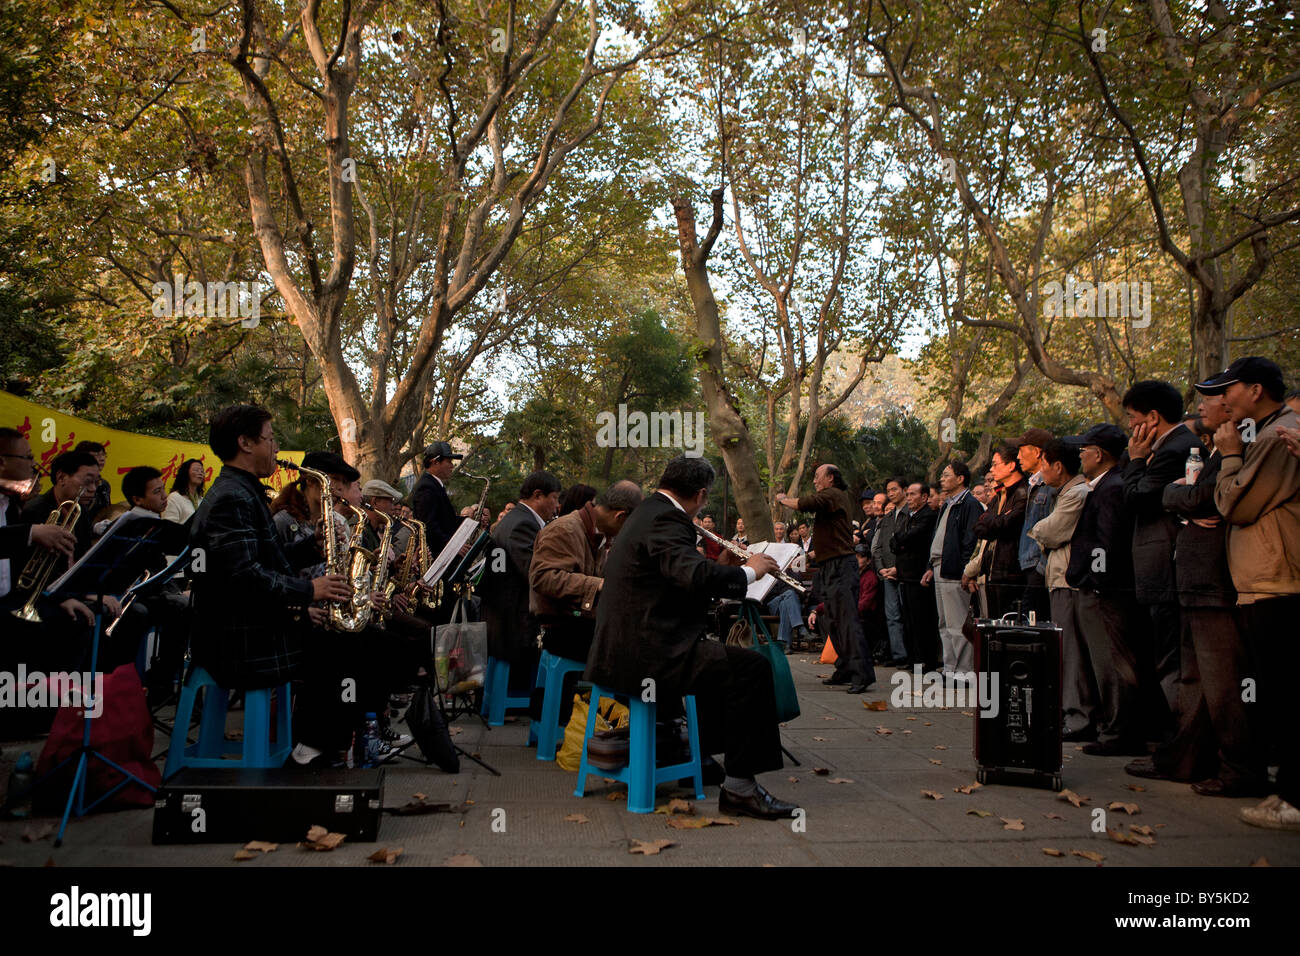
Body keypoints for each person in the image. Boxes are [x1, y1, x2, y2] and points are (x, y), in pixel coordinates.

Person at [586, 455, 796, 819]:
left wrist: (723, 569)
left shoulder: (647, 512)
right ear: (701, 495)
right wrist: (750, 571)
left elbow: (675, 578)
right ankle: (741, 790)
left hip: (630, 646)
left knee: (719, 665)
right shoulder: (668, 519)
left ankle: (700, 760)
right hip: (645, 654)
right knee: (751, 669)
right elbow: (693, 577)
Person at [1126, 389, 1265, 796]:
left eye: (1215, 396)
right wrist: (1181, 500)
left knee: (1222, 680)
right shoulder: (1211, 447)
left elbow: (1202, 498)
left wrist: (1175, 495)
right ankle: (1187, 757)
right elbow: (1185, 496)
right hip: (1191, 575)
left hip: (1212, 579)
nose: (1201, 406)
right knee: (1194, 676)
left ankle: (1239, 767)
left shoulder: (1230, 446)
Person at [187, 405, 351, 692]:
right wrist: (311, 590)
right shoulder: (233, 497)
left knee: (356, 643)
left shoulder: (242, 491)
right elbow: (245, 577)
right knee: (350, 652)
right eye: (271, 439)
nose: (276, 448)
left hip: (248, 631)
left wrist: (311, 546)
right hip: (241, 643)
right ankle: (317, 738)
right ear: (245, 443)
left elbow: (264, 560)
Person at [1201, 357, 1300, 830]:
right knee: (1274, 693)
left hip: (1279, 581)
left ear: (1256, 390)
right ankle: (1285, 793)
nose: (1222, 400)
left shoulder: (1278, 436)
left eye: (1228, 390)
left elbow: (1234, 505)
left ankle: (1294, 799)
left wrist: (1231, 457)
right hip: (1263, 581)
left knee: (1284, 694)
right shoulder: (1266, 432)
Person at [1121, 379, 1200, 733]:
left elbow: (1136, 499)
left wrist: (1137, 460)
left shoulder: (1176, 449)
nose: (1128, 425)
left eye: (1132, 416)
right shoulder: (1168, 447)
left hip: (1167, 568)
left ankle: (1178, 742)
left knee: (1172, 661)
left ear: (1152, 417)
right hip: (1158, 572)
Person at [529, 480, 641, 726]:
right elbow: (543, 578)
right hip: (561, 627)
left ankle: (623, 726)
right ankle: (627, 730)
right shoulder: (565, 529)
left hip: (578, 622)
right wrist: (599, 585)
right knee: (635, 649)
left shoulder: (596, 534)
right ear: (620, 516)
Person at [1063, 424, 1144, 757]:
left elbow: (1107, 542)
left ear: (1098, 454)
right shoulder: (1103, 486)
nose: (1080, 456)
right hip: (1098, 588)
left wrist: (1096, 582)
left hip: (1103, 592)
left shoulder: (1111, 488)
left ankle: (1118, 732)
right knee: (1103, 662)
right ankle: (1112, 727)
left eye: (1084, 450)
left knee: (1111, 662)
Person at [777, 463, 875, 693]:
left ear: (831, 478)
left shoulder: (832, 494)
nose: (814, 480)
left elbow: (806, 503)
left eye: (818, 476)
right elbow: (832, 538)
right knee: (831, 619)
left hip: (841, 567)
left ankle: (862, 673)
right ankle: (845, 667)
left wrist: (783, 499)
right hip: (830, 565)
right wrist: (809, 557)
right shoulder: (832, 500)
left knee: (846, 619)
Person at [1027, 439, 1097, 740]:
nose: (1040, 470)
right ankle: (1072, 711)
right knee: (1065, 650)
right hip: (1058, 579)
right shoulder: (1063, 494)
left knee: (1072, 652)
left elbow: (1050, 530)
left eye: (1043, 463)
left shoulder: (1078, 493)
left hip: (1069, 581)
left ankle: (1079, 717)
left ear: (1058, 466)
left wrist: (1041, 533)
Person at [479, 471, 563, 695]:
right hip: (515, 620)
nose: (556, 506)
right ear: (538, 495)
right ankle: (549, 701)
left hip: (507, 614)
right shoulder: (522, 524)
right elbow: (535, 575)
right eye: (554, 498)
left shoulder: (516, 519)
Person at [921, 462, 982, 681]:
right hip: (939, 565)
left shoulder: (969, 504)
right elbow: (940, 537)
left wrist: (967, 569)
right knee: (944, 622)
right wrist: (930, 566)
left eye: (947, 475)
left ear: (960, 478)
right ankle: (950, 667)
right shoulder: (947, 504)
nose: (942, 479)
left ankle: (965, 671)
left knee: (958, 622)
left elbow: (970, 539)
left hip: (955, 570)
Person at [971, 444, 1028, 619]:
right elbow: (979, 527)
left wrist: (993, 522)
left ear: (1011, 466)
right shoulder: (999, 495)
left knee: (1009, 625)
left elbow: (1009, 524)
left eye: (996, 464)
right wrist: (995, 521)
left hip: (1012, 573)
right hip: (992, 572)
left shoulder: (1023, 492)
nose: (991, 469)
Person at [892, 481, 940, 673]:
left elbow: (912, 538)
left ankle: (926, 661)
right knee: (909, 621)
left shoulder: (928, 516)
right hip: (905, 575)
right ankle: (914, 658)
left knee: (923, 621)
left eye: (913, 494)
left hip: (919, 575)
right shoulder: (909, 517)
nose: (909, 498)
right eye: (908, 494)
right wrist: (900, 539)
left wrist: (901, 539)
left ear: (924, 497)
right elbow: (895, 541)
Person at [22, 450, 100, 556]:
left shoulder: (82, 511)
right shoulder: (32, 511)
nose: (93, 489)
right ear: (61, 478)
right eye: (87, 481)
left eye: (96, 482)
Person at [1015, 428, 1056, 624]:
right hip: (1028, 565)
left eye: (1021, 450)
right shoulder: (1032, 484)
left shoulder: (1051, 485)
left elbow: (1051, 530)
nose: (1018, 456)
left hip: (1039, 569)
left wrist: (1041, 568)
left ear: (1037, 452)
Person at [871, 477, 909, 666]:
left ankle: (913, 656)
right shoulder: (887, 519)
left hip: (906, 574)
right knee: (892, 616)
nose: (891, 493)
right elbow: (877, 548)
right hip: (887, 574)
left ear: (904, 490)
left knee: (908, 615)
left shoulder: (911, 515)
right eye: (889, 490)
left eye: (895, 489)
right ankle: (898, 655)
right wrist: (881, 569)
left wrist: (898, 568)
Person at [410, 441, 463, 555]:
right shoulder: (427, 487)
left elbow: (444, 519)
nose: (452, 466)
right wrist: (452, 546)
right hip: (435, 557)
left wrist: (468, 521)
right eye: (448, 461)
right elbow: (429, 525)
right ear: (435, 462)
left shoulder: (434, 484)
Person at [162, 458, 206, 523]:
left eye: (202, 471)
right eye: (196, 470)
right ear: (185, 473)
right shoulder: (174, 498)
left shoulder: (202, 500)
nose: (200, 473)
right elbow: (168, 527)